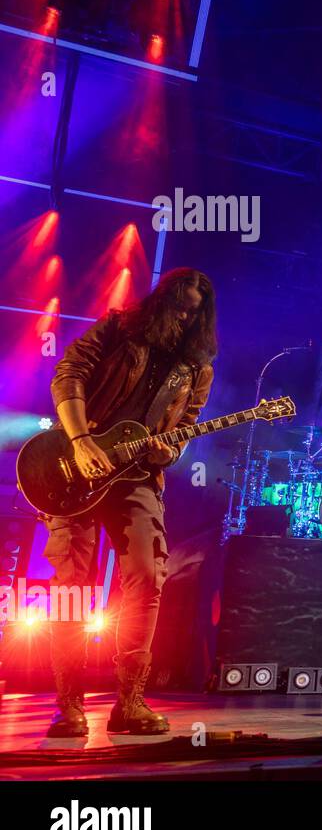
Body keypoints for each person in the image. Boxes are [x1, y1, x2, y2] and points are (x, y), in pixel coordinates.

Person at [44, 268, 216, 737]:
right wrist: (80, 438)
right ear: (161, 300)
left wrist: (171, 450)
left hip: (137, 479)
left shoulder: (197, 368)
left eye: (192, 310)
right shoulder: (119, 328)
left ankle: (130, 703)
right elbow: (69, 373)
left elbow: (188, 423)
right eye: (177, 305)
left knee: (146, 574)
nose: (182, 316)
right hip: (75, 463)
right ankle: (68, 706)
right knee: (71, 583)